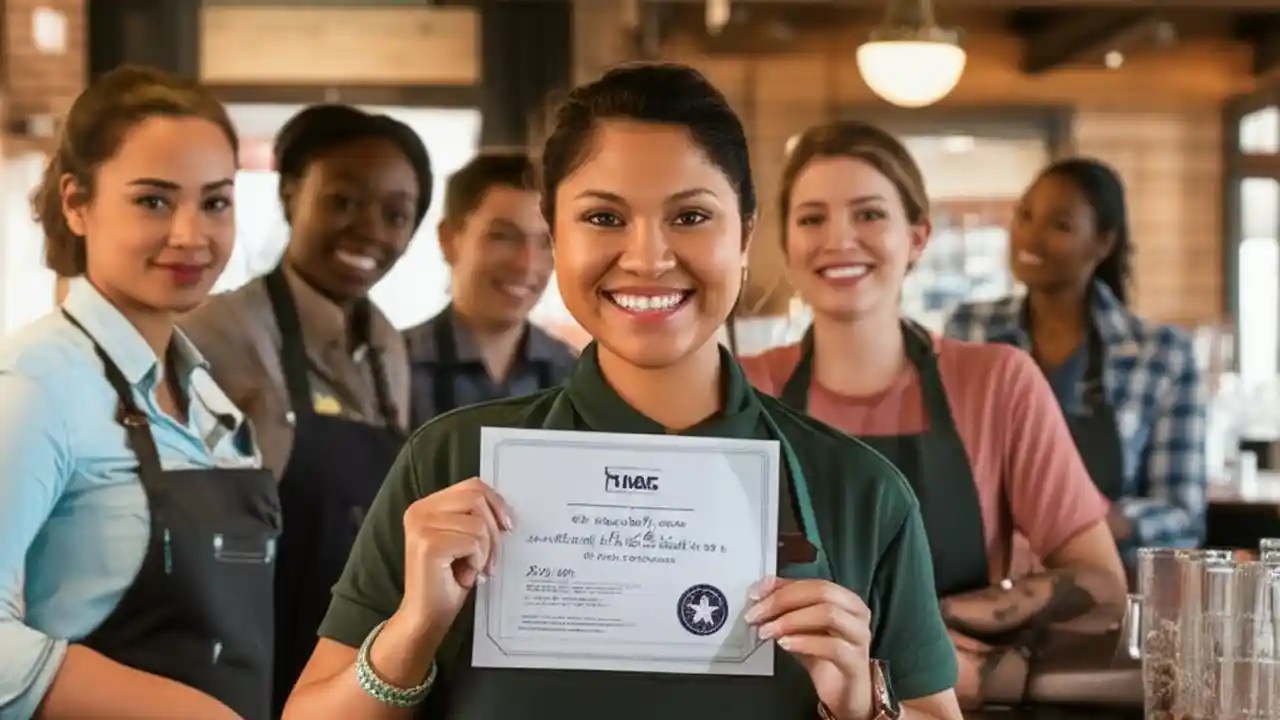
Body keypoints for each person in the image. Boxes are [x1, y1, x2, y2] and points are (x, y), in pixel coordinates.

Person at [281, 63, 963, 720]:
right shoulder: (451, 461)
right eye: (604, 218)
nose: (647, 257)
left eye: (691, 217)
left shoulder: (858, 491)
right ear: (556, 237)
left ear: (746, 235)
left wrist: (864, 707)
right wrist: (413, 629)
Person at [738, 122, 1126, 707]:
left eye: (869, 214)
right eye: (812, 219)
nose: (839, 239)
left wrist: (927, 635)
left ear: (917, 237)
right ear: (787, 245)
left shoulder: (997, 382)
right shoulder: (743, 389)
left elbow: (1101, 584)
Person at [0, 66, 277, 720]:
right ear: (76, 203)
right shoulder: (37, 385)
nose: (191, 235)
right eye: (153, 200)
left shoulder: (211, 402)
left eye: (215, 201)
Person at [179, 103, 433, 713]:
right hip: (238, 662)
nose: (370, 229)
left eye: (395, 214)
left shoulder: (387, 346)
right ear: (292, 195)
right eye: (343, 201)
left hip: (349, 665)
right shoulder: (214, 336)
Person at [946, 157, 1208, 569]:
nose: (1030, 237)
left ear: (1102, 243)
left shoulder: (1162, 354)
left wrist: (1091, 522)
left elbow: (1182, 515)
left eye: (1060, 225)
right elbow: (949, 472)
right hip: (991, 582)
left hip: (1112, 588)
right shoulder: (970, 329)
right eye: (1026, 216)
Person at [402, 152, 576, 427]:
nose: (527, 264)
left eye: (546, 243)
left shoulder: (574, 376)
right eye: (502, 236)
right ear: (449, 238)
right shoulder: (393, 367)